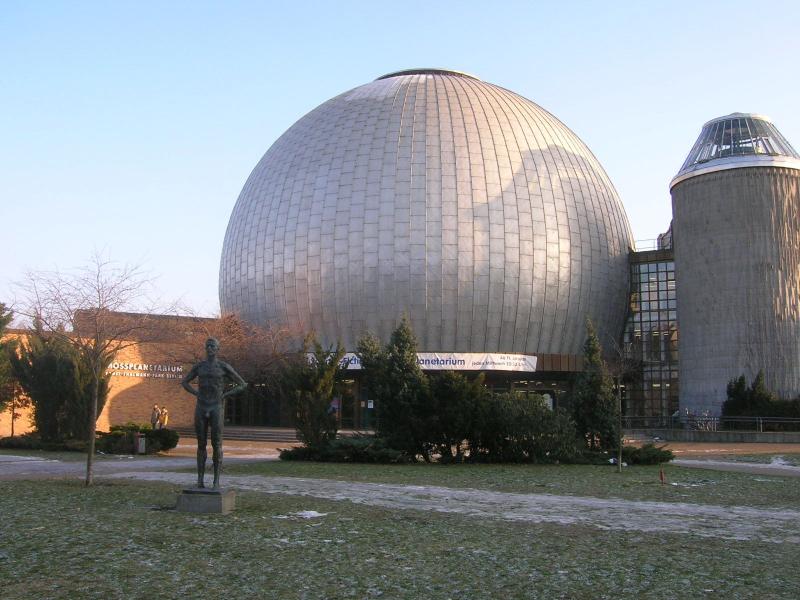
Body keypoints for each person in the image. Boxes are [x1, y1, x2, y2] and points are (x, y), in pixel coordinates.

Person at [181, 338, 247, 489]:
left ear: (218, 349)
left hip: (216, 406)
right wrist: (196, 393)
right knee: (201, 444)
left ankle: (216, 481)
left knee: (217, 444)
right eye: (208, 346)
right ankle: (200, 480)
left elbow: (242, 384)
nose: (209, 348)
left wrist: (226, 395)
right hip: (201, 405)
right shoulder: (200, 366)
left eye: (212, 346)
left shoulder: (223, 367)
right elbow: (185, 382)